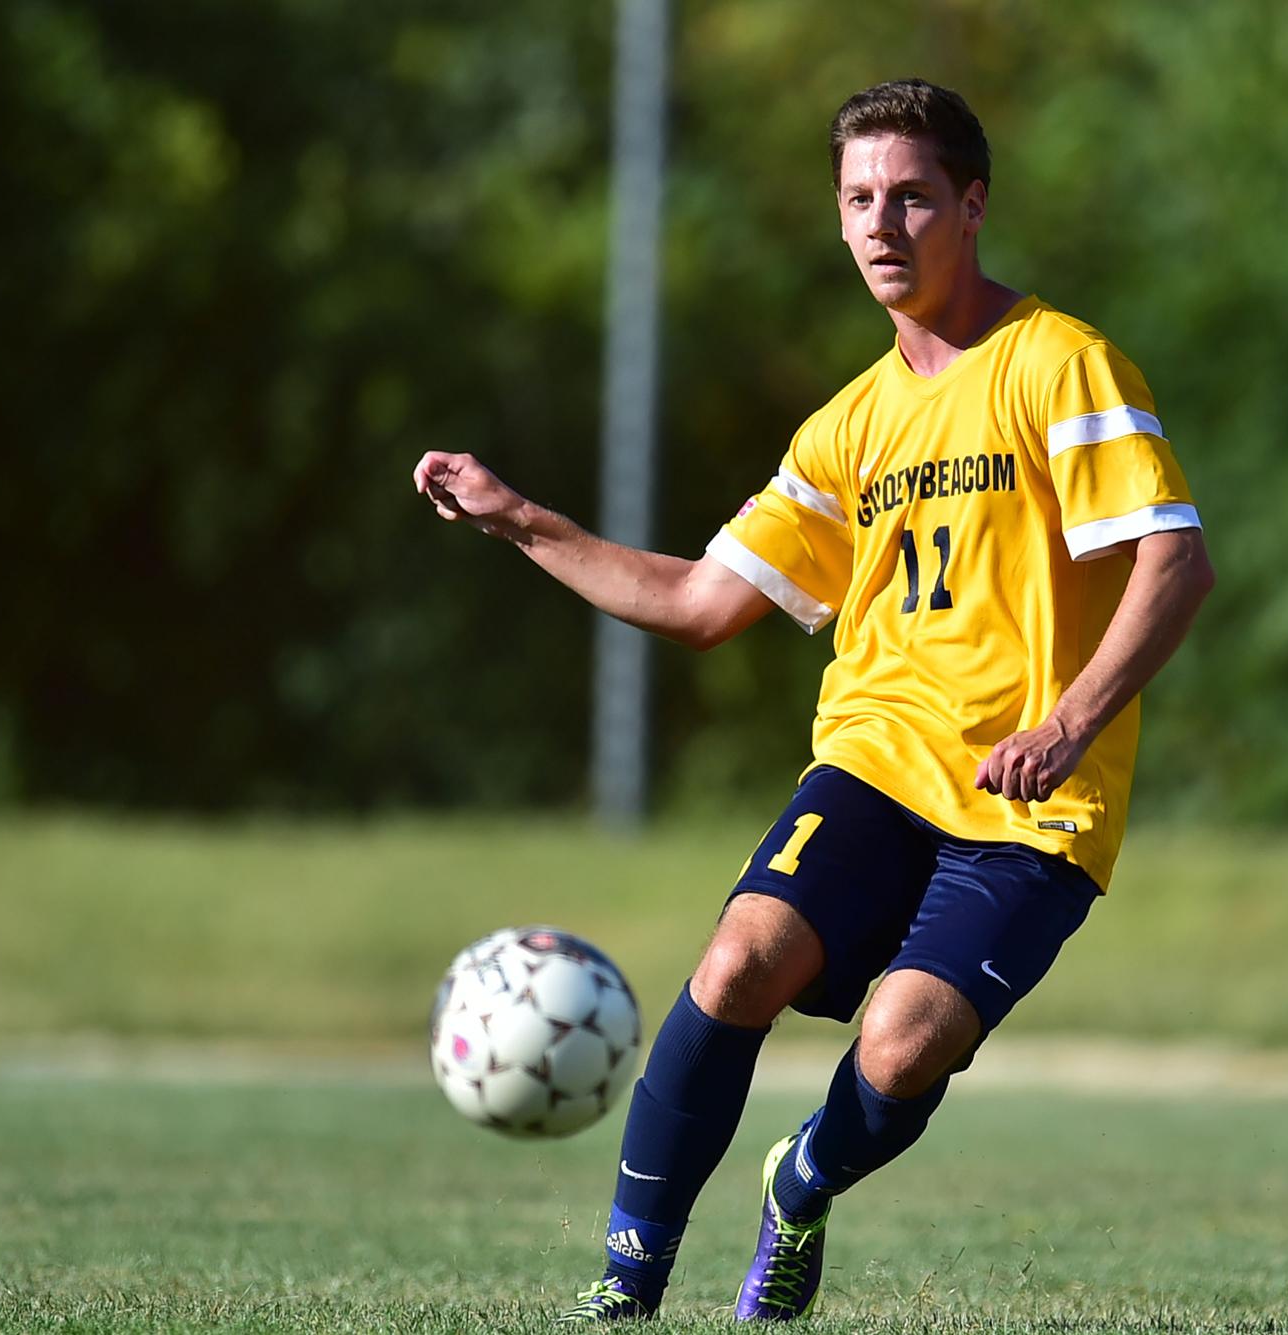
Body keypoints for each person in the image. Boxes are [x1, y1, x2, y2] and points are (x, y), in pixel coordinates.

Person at [413, 78, 1214, 1324]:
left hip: (1029, 802)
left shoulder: (1059, 364)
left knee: (899, 1048)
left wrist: (1068, 723)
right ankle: (626, 1285)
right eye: (856, 201)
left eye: (909, 197)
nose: (880, 225)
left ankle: (802, 1181)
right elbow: (695, 604)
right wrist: (520, 520)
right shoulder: (846, 426)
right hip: (878, 760)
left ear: (971, 206)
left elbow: (1174, 562)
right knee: (739, 961)